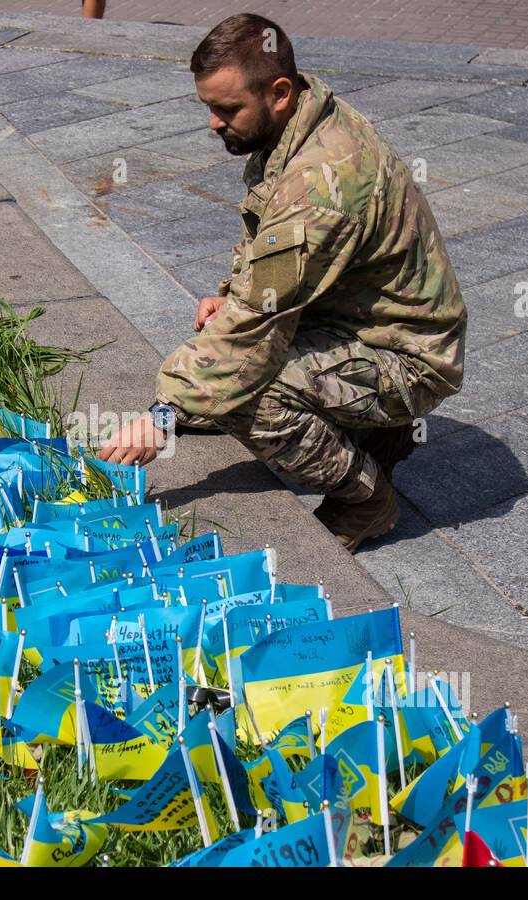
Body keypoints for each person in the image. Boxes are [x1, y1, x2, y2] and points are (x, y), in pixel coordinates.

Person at [98, 13, 467, 551]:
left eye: (226, 109)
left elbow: (257, 321)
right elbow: (266, 258)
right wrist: (226, 298)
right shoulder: (299, 124)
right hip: (356, 320)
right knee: (219, 345)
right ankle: (371, 431)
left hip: (409, 355)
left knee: (257, 394)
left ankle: (364, 500)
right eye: (208, 107)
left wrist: (163, 415)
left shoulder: (321, 182)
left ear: (278, 92)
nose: (213, 123)